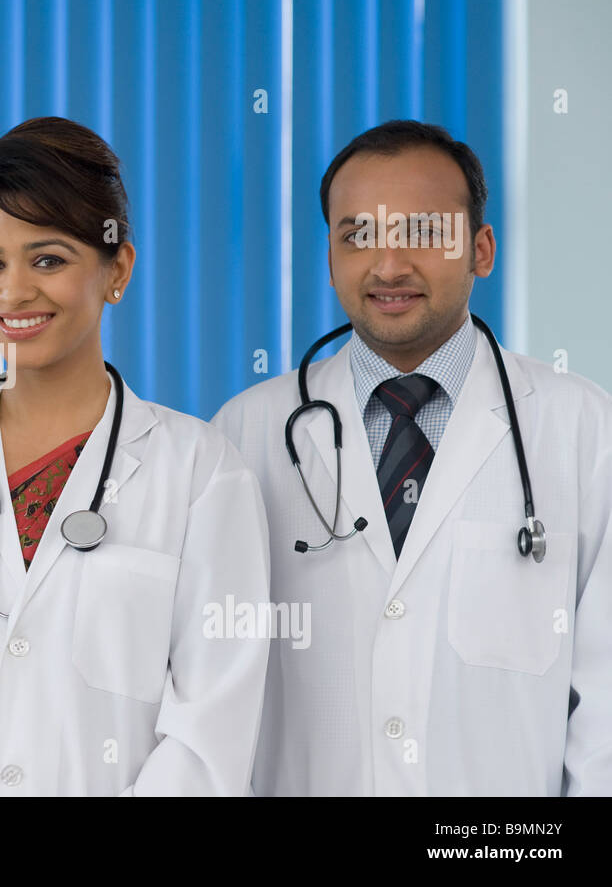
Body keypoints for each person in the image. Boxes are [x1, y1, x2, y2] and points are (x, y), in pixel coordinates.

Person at [0, 117, 271, 796]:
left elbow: (209, 730)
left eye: (48, 259)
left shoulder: (202, 475)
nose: (13, 292)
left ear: (116, 268)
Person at [213, 120, 612, 796]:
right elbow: (211, 692)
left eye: (424, 234)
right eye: (357, 235)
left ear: (482, 248)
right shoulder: (246, 435)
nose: (388, 265)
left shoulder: (582, 428)